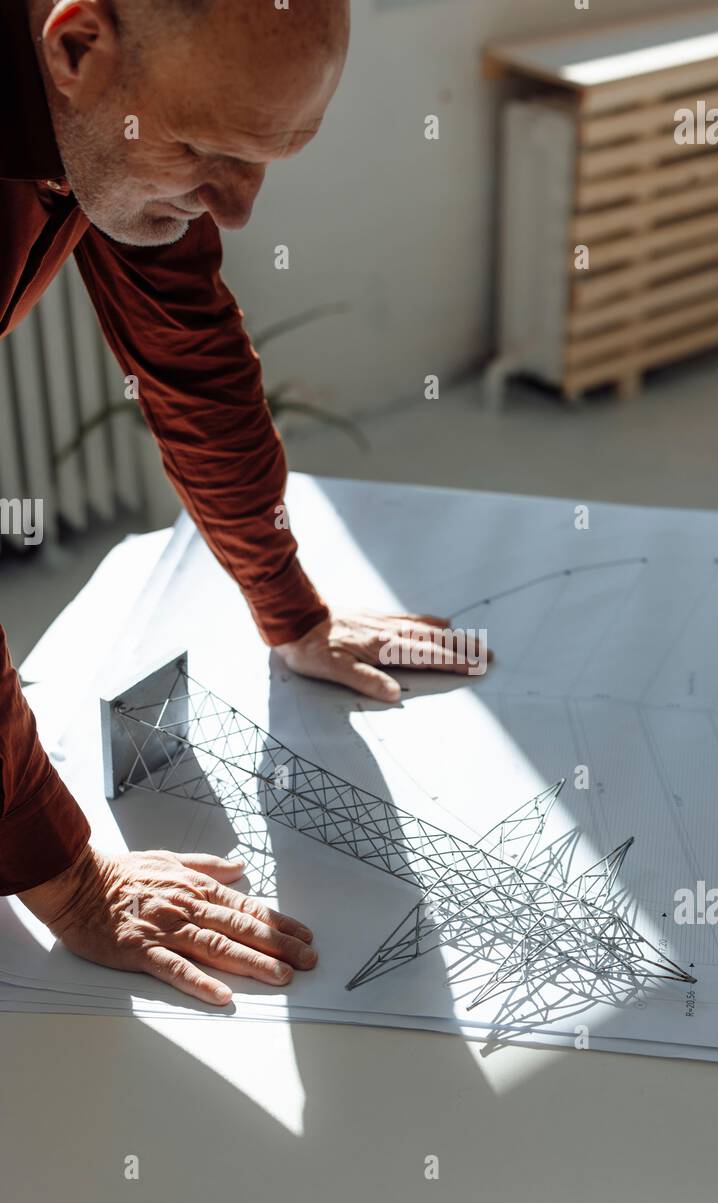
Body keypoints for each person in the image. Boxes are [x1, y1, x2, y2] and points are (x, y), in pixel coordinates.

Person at [1, 0, 485, 1004]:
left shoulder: (118, 126)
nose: (239, 207)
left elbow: (192, 361)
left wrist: (288, 606)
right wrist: (67, 875)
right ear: (75, 47)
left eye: (272, 156)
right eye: (212, 152)